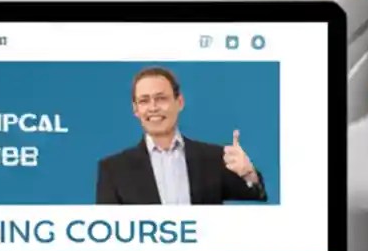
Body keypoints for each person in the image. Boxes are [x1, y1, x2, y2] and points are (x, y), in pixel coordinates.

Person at [96, 66, 267, 204]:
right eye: (144, 101)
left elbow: (256, 194)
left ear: (179, 102)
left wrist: (248, 174)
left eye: (161, 98)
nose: (153, 107)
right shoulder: (114, 170)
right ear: (136, 109)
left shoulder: (213, 158)